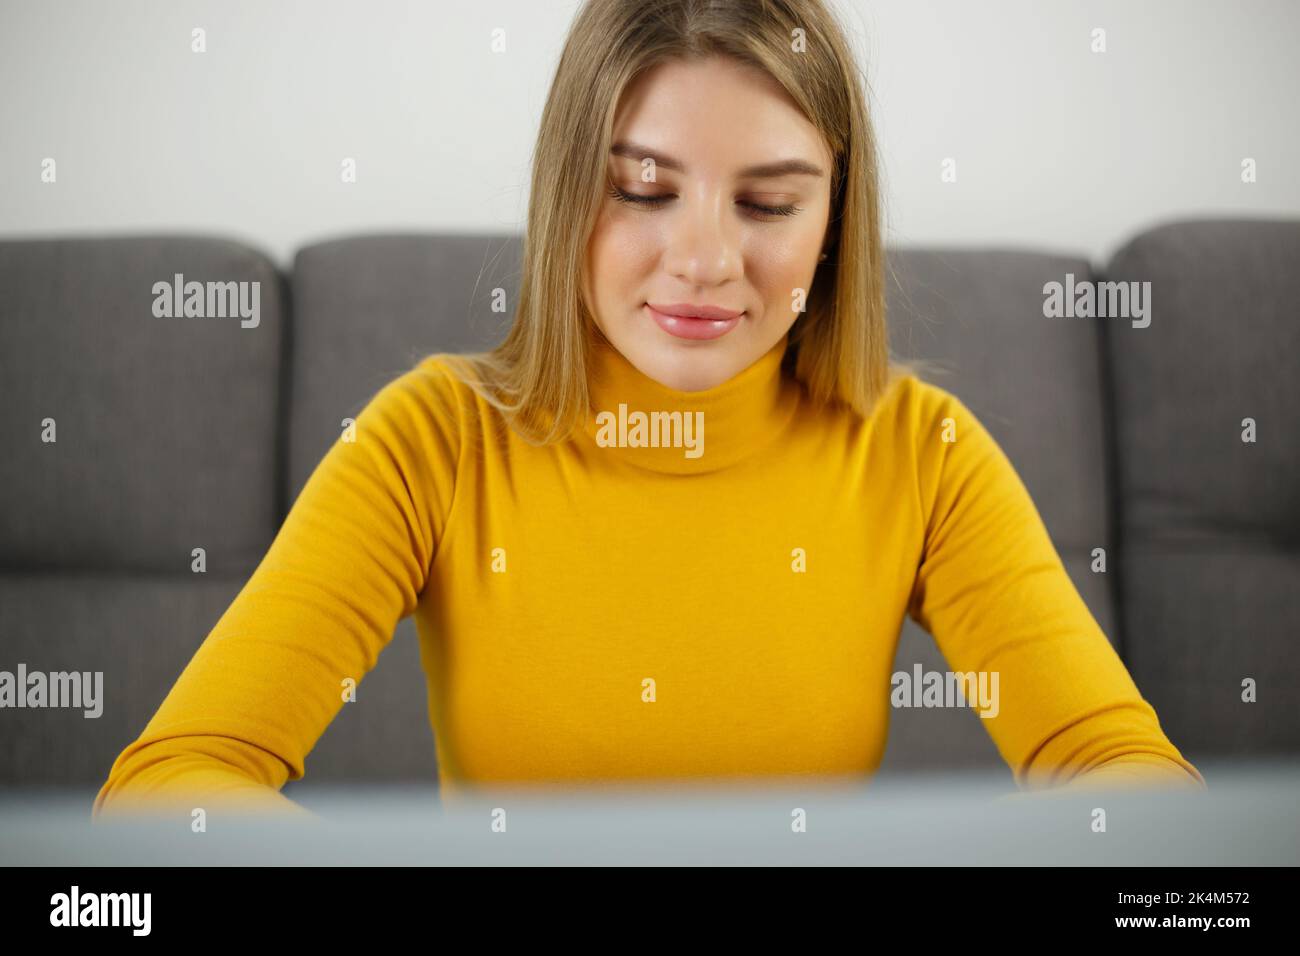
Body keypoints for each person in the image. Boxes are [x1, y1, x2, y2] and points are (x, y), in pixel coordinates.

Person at [93, 0, 1203, 820]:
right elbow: (168, 784)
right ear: (567, 189)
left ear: (834, 217)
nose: (707, 259)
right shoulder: (429, 441)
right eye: (641, 189)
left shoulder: (922, 454)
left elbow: (1116, 771)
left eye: (768, 201)